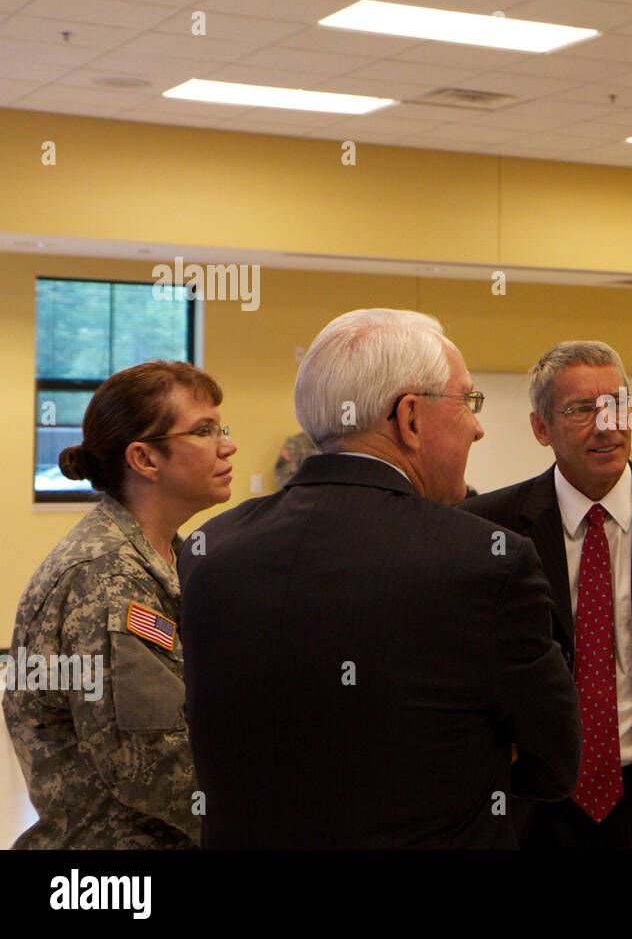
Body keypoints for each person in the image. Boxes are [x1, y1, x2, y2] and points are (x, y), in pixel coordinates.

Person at [179, 309, 580, 848]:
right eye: (467, 401)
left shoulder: (211, 550)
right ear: (410, 418)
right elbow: (554, 761)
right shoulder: (486, 562)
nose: (478, 427)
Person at [463, 341, 632, 849]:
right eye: (582, 410)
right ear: (541, 429)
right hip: (535, 803)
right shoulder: (491, 526)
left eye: (617, 404)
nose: (606, 424)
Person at [4, 360, 237, 848]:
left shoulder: (167, 554)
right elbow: (151, 767)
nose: (227, 443)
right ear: (145, 459)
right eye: (204, 430)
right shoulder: (105, 575)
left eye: (221, 426)